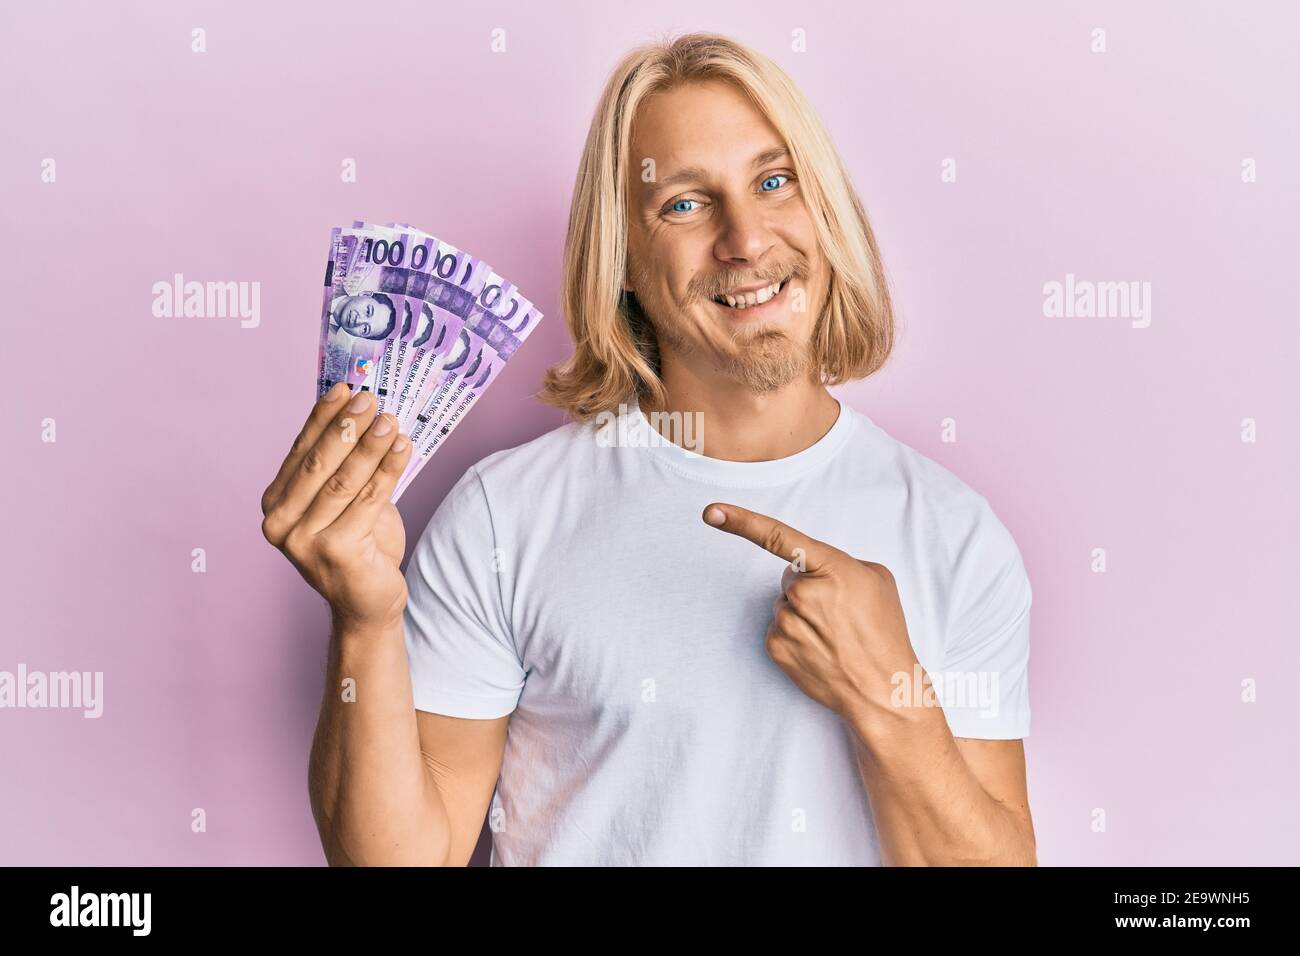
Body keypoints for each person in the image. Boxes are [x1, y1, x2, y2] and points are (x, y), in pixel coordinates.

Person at [262, 32, 1037, 866]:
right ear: (623, 258)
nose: (745, 239)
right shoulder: (504, 518)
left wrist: (890, 696)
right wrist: (364, 621)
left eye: (775, 182)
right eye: (684, 204)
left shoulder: (957, 536)